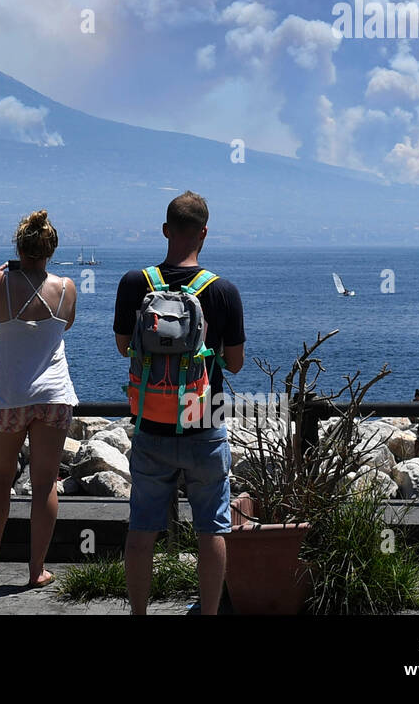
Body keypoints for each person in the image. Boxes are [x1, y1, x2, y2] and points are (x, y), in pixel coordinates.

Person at [114, 191, 244, 616]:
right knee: (212, 529)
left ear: (166, 230)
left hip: (150, 420)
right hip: (205, 418)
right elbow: (237, 365)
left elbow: (123, 348)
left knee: (142, 530)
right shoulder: (223, 290)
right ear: (204, 234)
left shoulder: (137, 283)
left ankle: (138, 614)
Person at [0, 209, 78, 588]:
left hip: (8, 396)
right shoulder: (67, 287)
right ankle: (36, 570)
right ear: (51, 249)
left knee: (0, 479)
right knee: (45, 482)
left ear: (18, 246)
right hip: (54, 395)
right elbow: (65, 324)